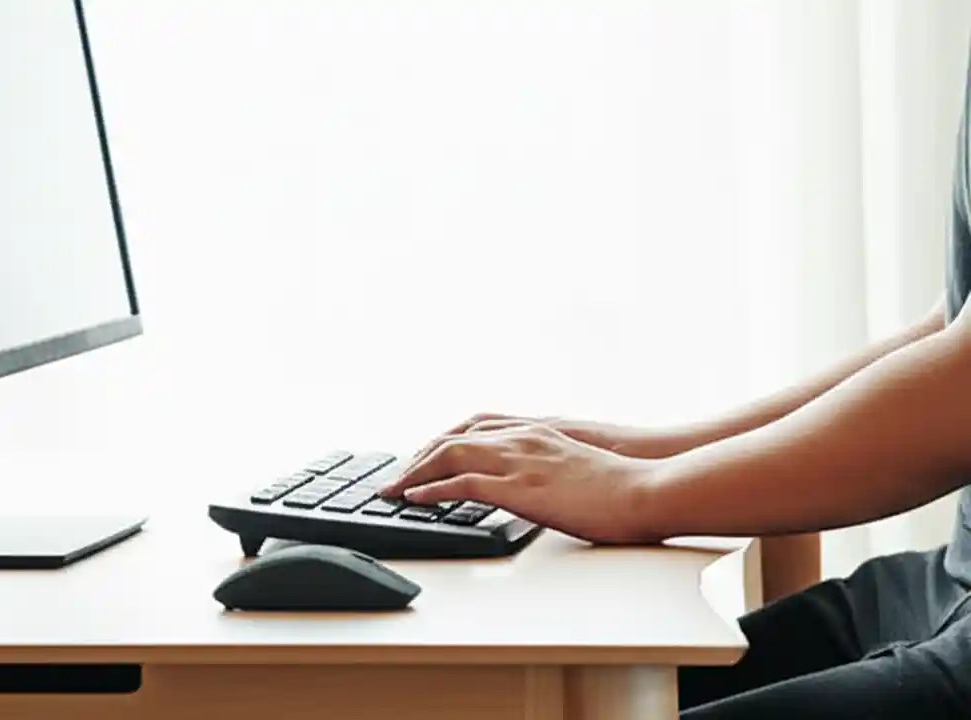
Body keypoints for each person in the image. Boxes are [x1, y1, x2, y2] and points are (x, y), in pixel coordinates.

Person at [380, 72, 971, 720]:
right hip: (943, 583)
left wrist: (639, 493)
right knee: (526, 705)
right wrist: (650, 454)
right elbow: (950, 333)